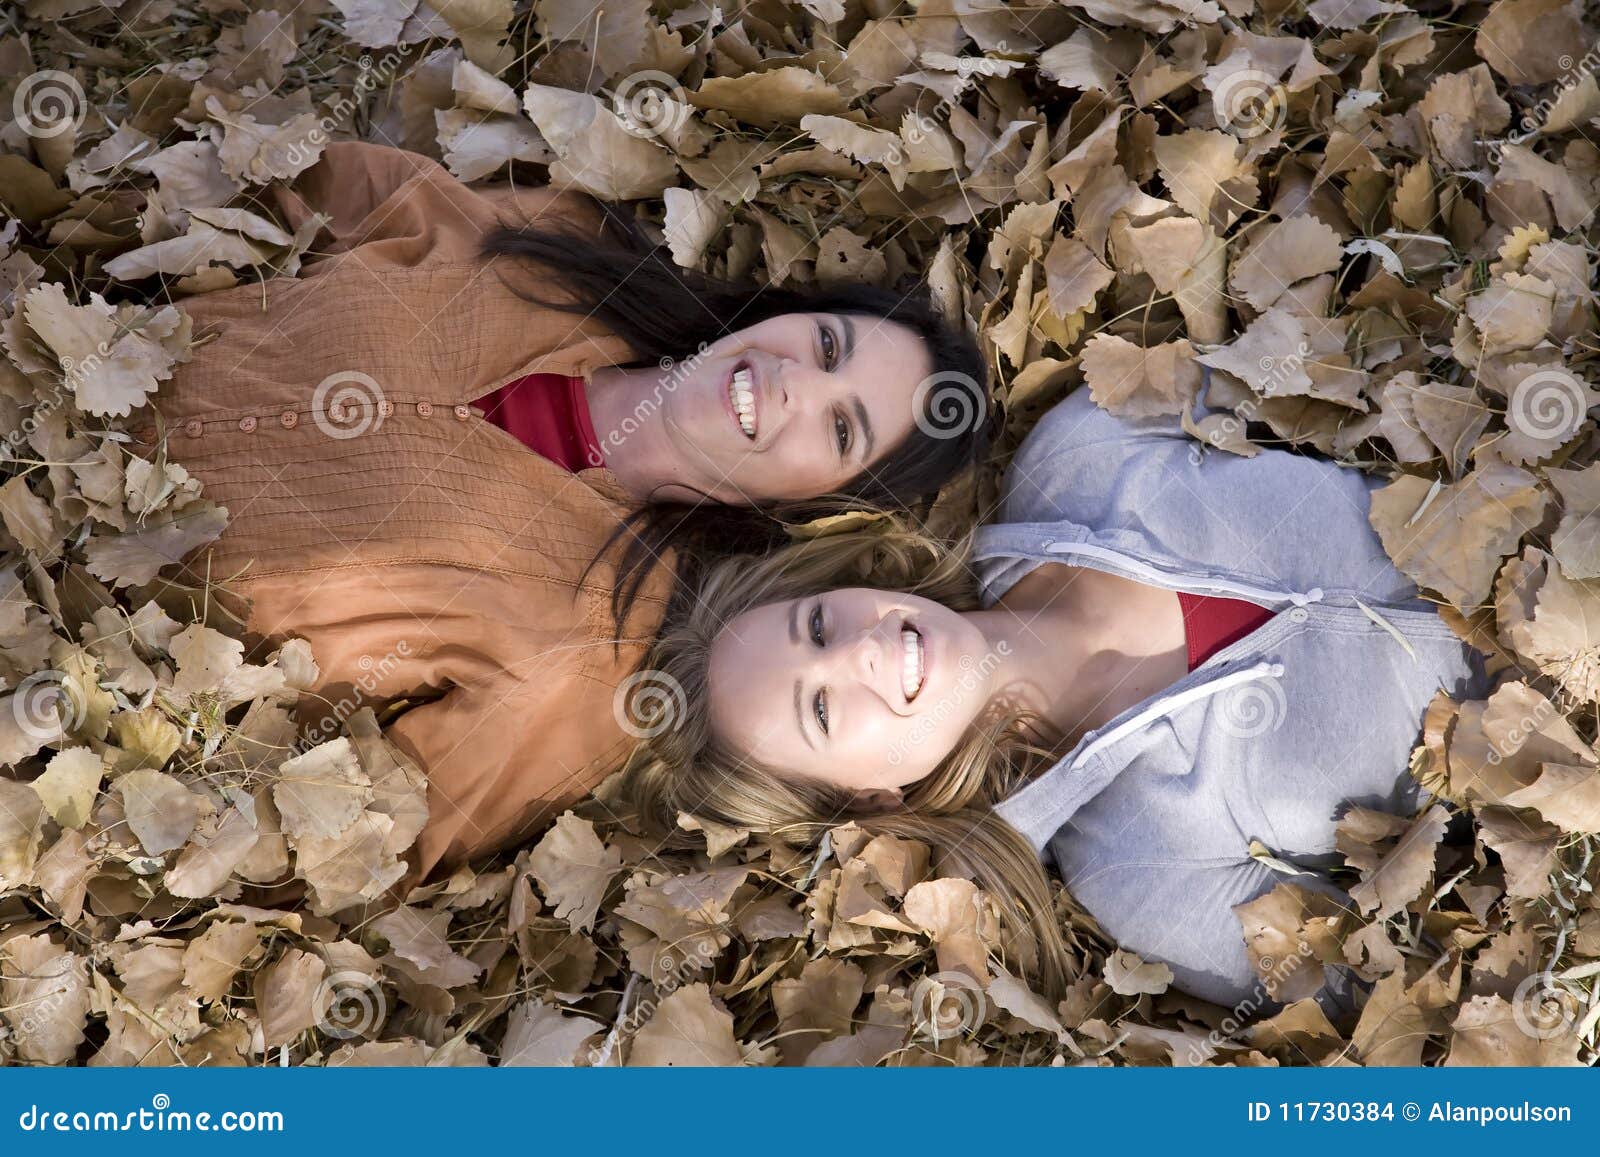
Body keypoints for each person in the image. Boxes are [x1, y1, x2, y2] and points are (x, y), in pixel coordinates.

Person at [133, 141, 988, 890]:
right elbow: (297, 179)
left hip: (64, 579)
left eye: (842, 428)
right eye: (830, 345)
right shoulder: (569, 251)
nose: (800, 383)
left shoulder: (593, 662)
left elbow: (358, 848)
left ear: (821, 502)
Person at [620, 386, 1494, 1010]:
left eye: (816, 625)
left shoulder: (1080, 456)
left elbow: (1325, 374)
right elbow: (1371, 991)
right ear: (866, 798)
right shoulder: (1137, 870)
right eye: (820, 709)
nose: (857, 649)